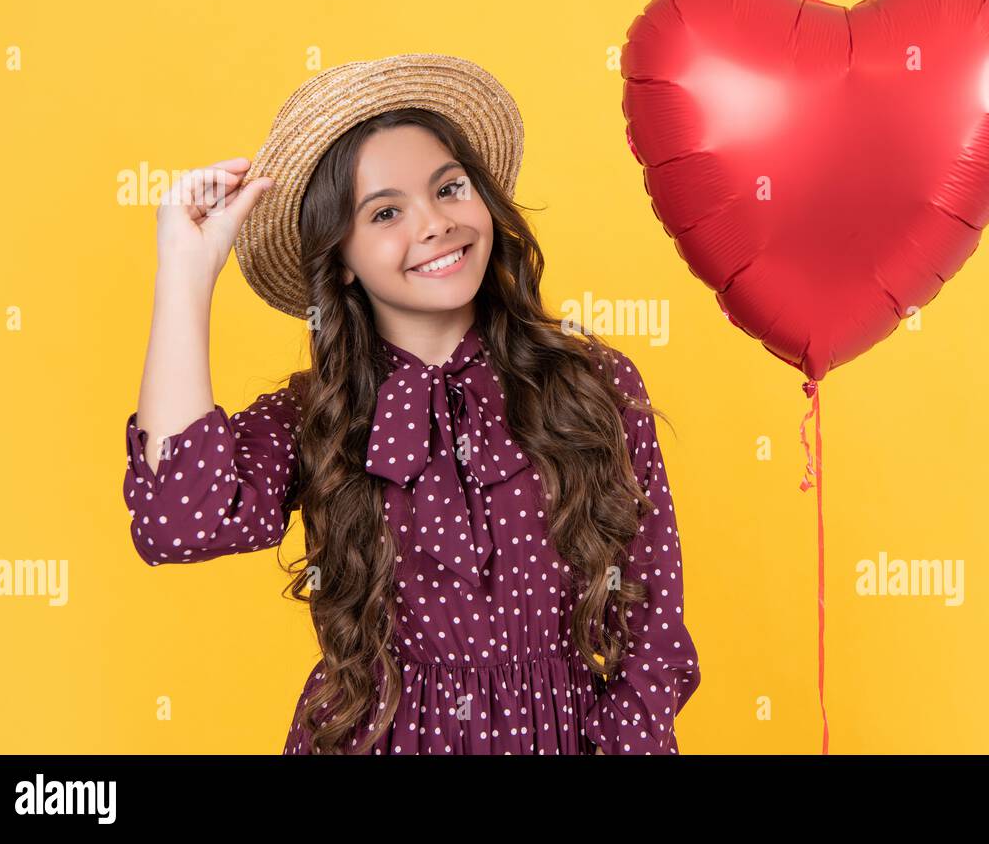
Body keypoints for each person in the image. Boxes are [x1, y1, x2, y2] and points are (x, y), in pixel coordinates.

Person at [121, 53, 701, 754]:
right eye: (387, 211)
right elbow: (177, 523)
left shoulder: (594, 383)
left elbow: (655, 638)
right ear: (340, 256)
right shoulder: (318, 415)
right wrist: (185, 275)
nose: (433, 224)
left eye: (450, 188)